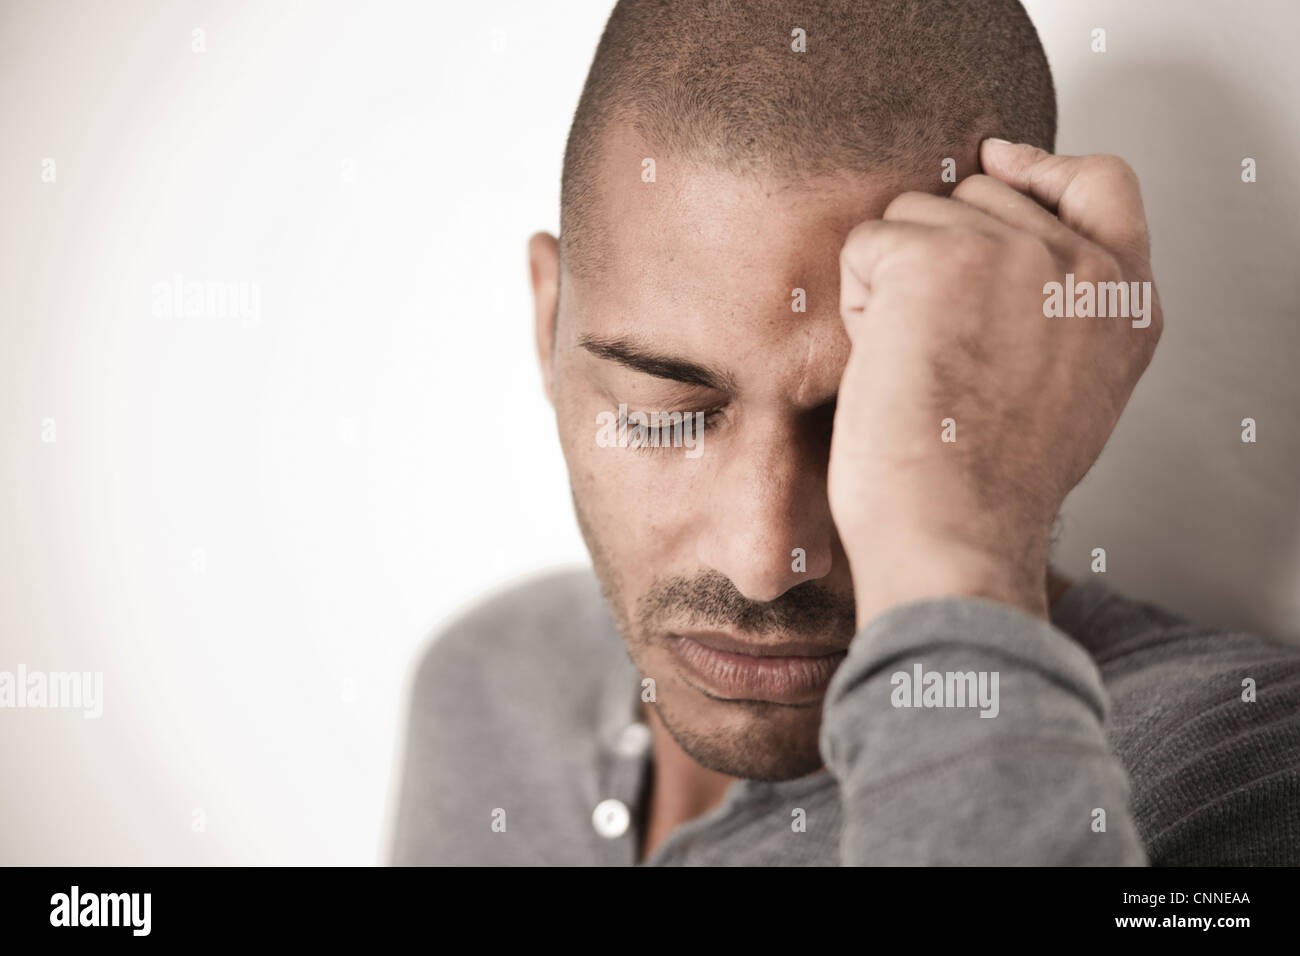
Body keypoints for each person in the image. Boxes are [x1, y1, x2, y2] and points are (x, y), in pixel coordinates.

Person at [390, 0, 1300, 865]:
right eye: (666, 415)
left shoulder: (1237, 766)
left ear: (1043, 374)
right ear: (547, 325)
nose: (765, 558)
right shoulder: (487, 685)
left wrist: (954, 563)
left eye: (868, 413)